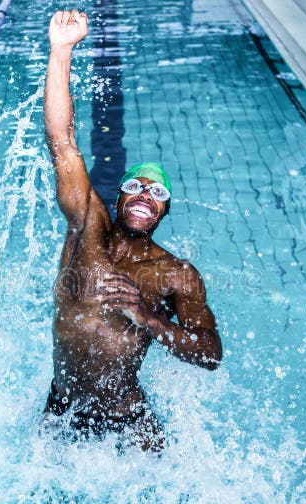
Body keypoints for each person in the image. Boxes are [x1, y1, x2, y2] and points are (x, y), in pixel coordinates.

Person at [43, 9, 222, 451]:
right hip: (60, 408)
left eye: (156, 192)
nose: (144, 193)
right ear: (119, 199)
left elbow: (210, 354)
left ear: (164, 211)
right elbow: (63, 143)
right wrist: (61, 50)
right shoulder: (88, 224)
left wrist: (149, 318)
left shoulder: (178, 274)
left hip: (126, 417)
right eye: (134, 185)